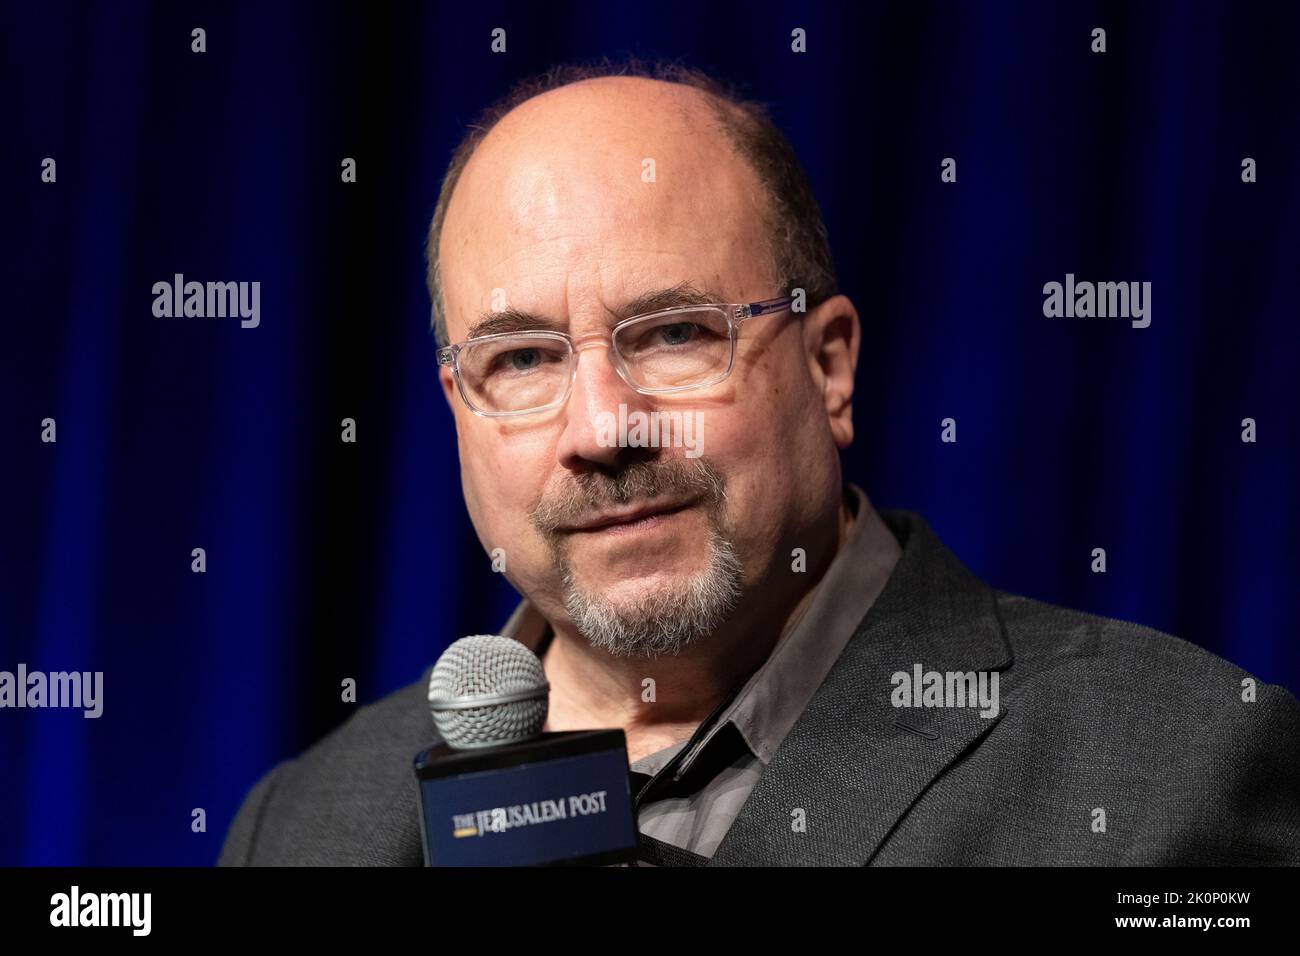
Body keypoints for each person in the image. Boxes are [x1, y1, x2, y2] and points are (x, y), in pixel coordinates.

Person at [219, 61, 1300, 866]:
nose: (603, 427)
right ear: (458, 407)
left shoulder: (1168, 777)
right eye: (522, 359)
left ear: (829, 368)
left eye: (674, 334)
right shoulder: (306, 824)